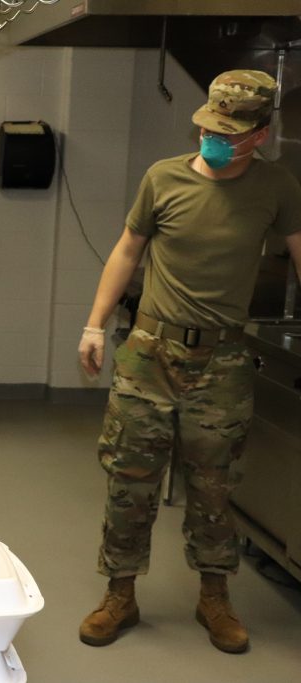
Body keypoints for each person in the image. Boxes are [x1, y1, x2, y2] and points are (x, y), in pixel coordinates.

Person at [77, 70, 301, 654]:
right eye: (210, 127)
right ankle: (119, 594)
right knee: (130, 479)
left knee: (214, 485)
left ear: (261, 133)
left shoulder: (276, 187)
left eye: (230, 131)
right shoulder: (164, 178)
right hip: (149, 353)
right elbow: (128, 250)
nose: (215, 138)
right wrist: (94, 325)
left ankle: (214, 597)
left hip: (223, 361)